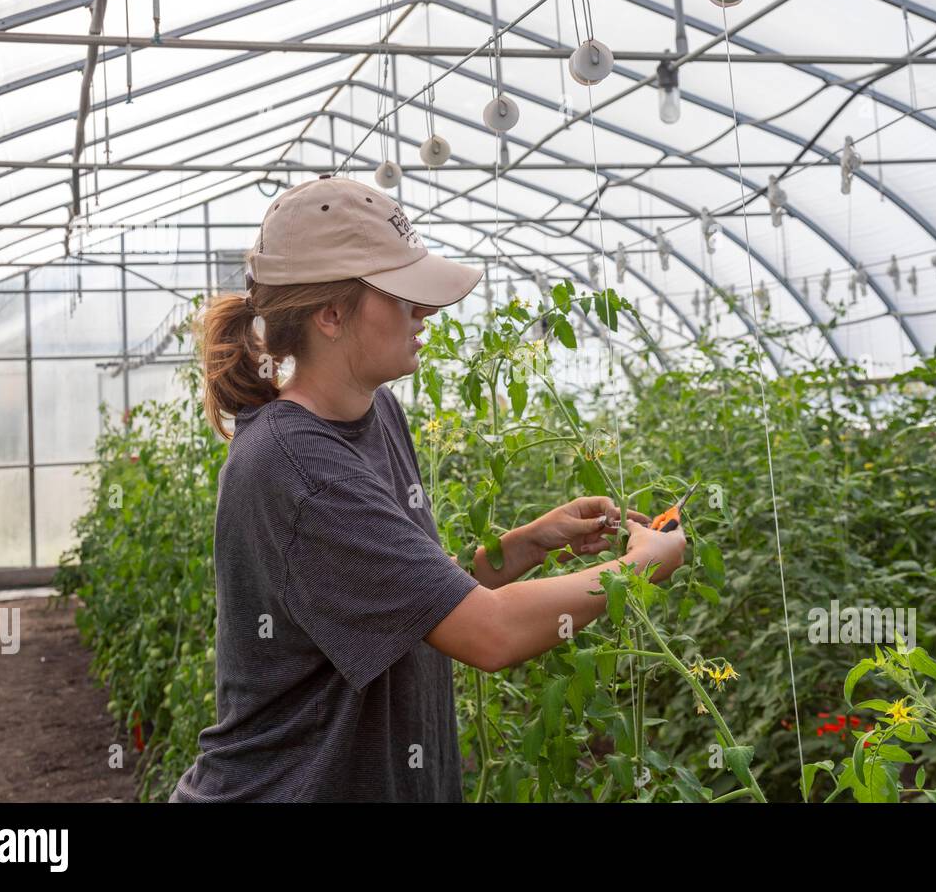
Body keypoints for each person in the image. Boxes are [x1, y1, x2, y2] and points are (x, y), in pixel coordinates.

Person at [169, 175, 687, 802]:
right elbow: (487, 634)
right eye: (403, 295)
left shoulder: (376, 411)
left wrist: (526, 544)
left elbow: (412, 595)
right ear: (330, 315)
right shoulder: (294, 466)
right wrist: (637, 569)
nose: (427, 312)